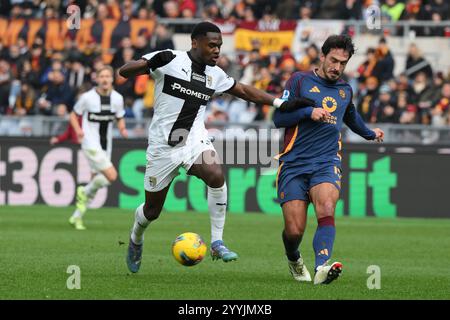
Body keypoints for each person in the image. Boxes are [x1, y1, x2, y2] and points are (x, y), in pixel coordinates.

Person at [118, 21, 314, 273]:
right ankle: (136, 238)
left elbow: (243, 90)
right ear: (195, 42)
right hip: (162, 146)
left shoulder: (215, 74)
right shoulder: (169, 59)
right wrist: (147, 64)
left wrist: (279, 102)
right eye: (212, 45)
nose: (217, 50)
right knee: (151, 211)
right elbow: (125, 71)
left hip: (193, 139)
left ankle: (217, 242)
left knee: (216, 175)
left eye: (219, 46)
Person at [272, 35, 384, 285]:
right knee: (294, 231)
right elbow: (278, 119)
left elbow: (351, 116)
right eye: (333, 60)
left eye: (343, 63)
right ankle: (293, 257)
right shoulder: (299, 80)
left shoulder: (345, 90)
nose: (337, 67)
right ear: (322, 57)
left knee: (326, 207)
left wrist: (369, 133)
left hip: (326, 162)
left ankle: (322, 265)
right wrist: (307, 112)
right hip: (294, 164)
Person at [68, 66, 128, 230]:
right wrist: (79, 130)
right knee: (112, 176)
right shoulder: (87, 98)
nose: (104, 79)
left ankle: (77, 217)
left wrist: (122, 129)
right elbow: (73, 115)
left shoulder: (117, 98)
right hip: (90, 142)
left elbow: (119, 116)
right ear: (97, 79)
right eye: (101, 76)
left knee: (96, 182)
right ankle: (83, 191)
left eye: (107, 76)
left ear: (112, 79)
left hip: (106, 144)